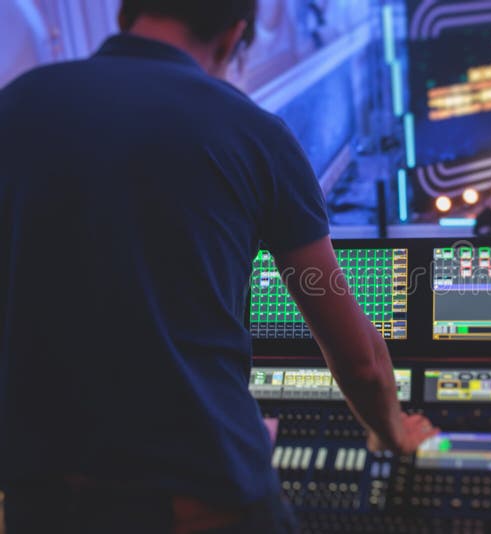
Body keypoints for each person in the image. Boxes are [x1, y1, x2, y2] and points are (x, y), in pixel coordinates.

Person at [0, 1, 438, 533]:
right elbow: (360, 361)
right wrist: (390, 432)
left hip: (42, 499)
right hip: (198, 495)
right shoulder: (253, 131)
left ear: (126, 16)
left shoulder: (16, 104)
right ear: (233, 37)